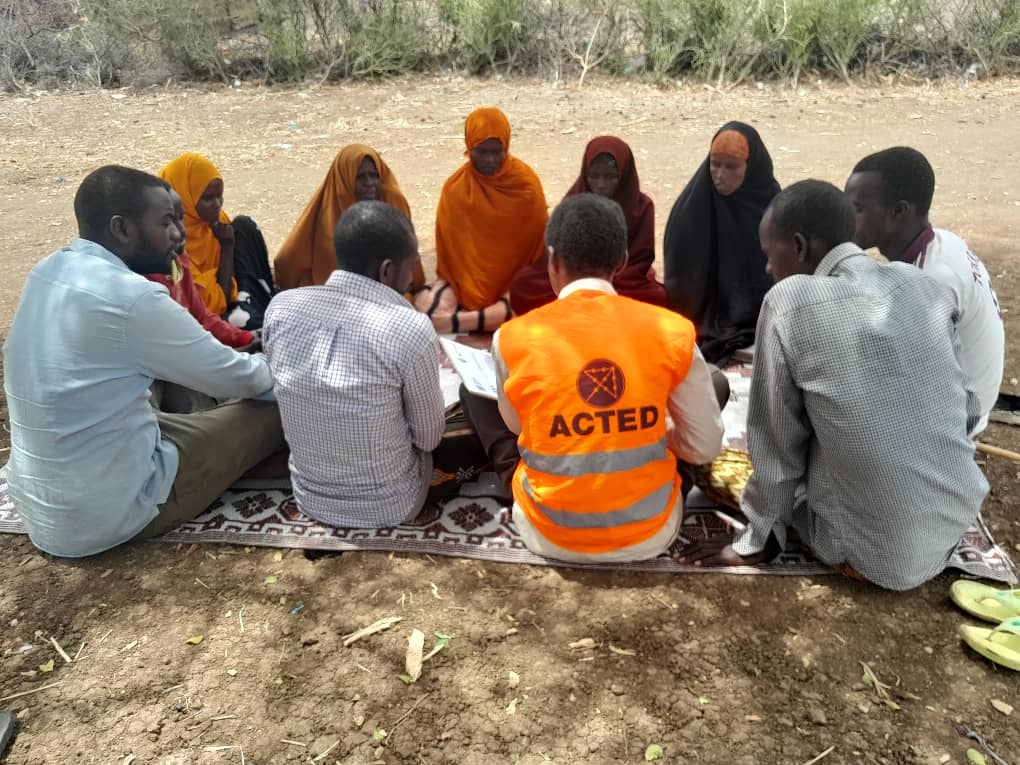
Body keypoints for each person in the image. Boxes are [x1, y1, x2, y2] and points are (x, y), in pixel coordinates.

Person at [679, 180, 988, 590]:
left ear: (799, 245)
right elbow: (966, 409)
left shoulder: (790, 301)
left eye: (770, 255)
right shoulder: (923, 286)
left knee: (705, 456)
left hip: (871, 554)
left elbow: (776, 442)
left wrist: (757, 539)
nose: (768, 270)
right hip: (950, 527)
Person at [3, 165, 285, 558]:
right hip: (111, 514)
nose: (176, 233)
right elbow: (236, 377)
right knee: (272, 408)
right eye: (166, 222)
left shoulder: (48, 271)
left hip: (42, 509)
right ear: (122, 229)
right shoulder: (133, 298)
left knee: (172, 373)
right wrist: (289, 371)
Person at [461, 193, 724, 564]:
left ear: (551, 260)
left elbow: (520, 426)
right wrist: (649, 427)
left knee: (475, 393)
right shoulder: (672, 330)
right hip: (650, 530)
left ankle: (519, 485)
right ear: (622, 261)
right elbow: (704, 448)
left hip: (548, 531)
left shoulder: (514, 337)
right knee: (714, 383)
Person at [264, 202, 484, 528]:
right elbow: (428, 440)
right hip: (393, 504)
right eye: (410, 270)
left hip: (310, 497)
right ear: (386, 270)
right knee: (475, 414)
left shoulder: (281, 308)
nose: (411, 280)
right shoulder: (409, 327)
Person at [845, 146, 1004, 433]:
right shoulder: (943, 242)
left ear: (899, 212)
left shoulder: (930, 282)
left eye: (857, 209)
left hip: (953, 421)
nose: (846, 218)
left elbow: (901, 375)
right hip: (963, 398)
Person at [415, 107, 548, 333]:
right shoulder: (455, 190)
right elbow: (452, 262)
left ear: (507, 146)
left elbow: (535, 258)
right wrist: (466, 290)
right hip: (462, 288)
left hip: (514, 288)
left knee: (535, 300)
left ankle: (460, 322)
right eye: (481, 151)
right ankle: (487, 319)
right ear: (468, 147)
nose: (489, 159)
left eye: (497, 151)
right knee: (424, 309)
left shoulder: (526, 187)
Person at [663, 122, 781, 364]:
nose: (719, 175)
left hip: (756, 314)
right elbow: (681, 278)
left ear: (751, 168)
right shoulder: (691, 209)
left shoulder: (772, 208)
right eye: (715, 165)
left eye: (731, 167)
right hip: (699, 315)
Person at [509, 136, 666, 314]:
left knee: (657, 297)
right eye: (594, 176)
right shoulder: (575, 200)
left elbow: (639, 260)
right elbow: (556, 252)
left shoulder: (641, 207)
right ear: (585, 173)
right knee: (524, 285)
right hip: (574, 275)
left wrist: (603, 281)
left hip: (620, 278)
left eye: (609, 177)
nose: (601, 184)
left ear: (623, 175)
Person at [274, 144, 424, 291]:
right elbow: (287, 260)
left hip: (388, 293)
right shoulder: (327, 213)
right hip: (333, 296)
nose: (369, 184)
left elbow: (408, 254)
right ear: (343, 180)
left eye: (374, 176)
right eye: (360, 177)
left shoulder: (393, 201)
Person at [160, 152, 276, 330]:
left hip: (232, 290)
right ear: (185, 197)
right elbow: (219, 303)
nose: (217, 204)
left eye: (219, 196)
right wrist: (227, 247)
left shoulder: (215, 220)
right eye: (207, 198)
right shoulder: (173, 240)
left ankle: (263, 304)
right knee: (242, 321)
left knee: (244, 225)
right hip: (211, 314)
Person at [147, 187, 256, 350]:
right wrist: (236, 353)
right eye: (166, 223)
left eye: (181, 218)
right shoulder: (144, 285)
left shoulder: (178, 258)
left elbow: (201, 314)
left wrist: (245, 338)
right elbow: (177, 345)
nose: (180, 231)